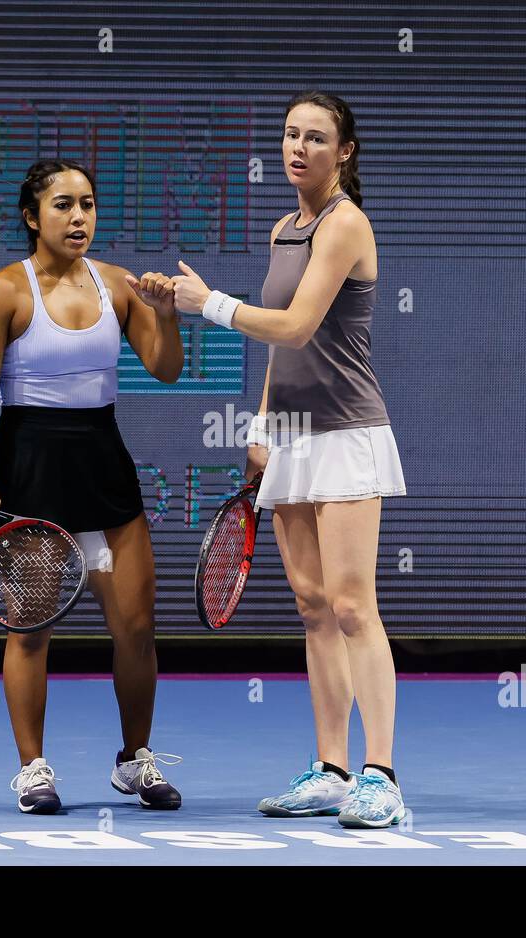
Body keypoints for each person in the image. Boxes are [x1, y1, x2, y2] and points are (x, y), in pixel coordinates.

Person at [172, 92, 407, 828]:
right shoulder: (285, 228)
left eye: (316, 138)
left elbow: (300, 325)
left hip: (347, 437)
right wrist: (263, 423)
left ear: (345, 153)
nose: (298, 147)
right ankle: (332, 768)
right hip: (296, 438)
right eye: (289, 135)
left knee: (350, 605)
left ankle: (382, 776)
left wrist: (208, 304)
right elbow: (280, 349)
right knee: (311, 608)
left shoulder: (346, 225)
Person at [0, 159, 186, 813]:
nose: (79, 216)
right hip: (31, 474)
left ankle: (133, 762)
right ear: (33, 216)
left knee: (136, 626)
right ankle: (33, 769)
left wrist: (165, 314)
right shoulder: (3, 291)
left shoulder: (119, 286)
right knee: (30, 629)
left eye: (87, 203)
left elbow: (166, 369)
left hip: (103, 471)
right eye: (62, 205)